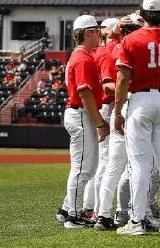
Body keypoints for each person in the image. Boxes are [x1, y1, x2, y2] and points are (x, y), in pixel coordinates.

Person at [113, 0, 160, 236]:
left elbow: (123, 79)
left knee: (140, 165)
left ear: (142, 14)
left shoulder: (131, 39)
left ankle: (136, 222)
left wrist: (116, 111)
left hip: (140, 100)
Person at [93, 14, 145, 230]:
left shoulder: (132, 48)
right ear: (122, 31)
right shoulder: (112, 50)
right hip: (120, 106)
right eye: (131, 28)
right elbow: (107, 86)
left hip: (130, 105)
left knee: (131, 165)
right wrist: (131, 92)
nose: (136, 31)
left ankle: (129, 213)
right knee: (116, 164)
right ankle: (105, 213)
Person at [59, 15, 110, 229]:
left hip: (80, 114)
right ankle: (72, 215)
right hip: (81, 114)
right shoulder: (82, 58)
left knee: (86, 167)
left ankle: (65, 209)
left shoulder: (83, 56)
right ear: (87, 32)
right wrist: (100, 123)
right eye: (96, 30)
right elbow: (86, 96)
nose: (100, 34)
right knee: (83, 169)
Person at [82, 17, 121, 223]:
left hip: (102, 106)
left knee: (100, 162)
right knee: (106, 162)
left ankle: (91, 207)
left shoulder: (94, 52)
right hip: (109, 105)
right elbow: (108, 86)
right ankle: (97, 209)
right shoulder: (107, 52)